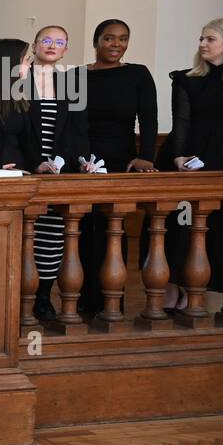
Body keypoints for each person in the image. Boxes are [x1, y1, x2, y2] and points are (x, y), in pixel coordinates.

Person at [79, 19, 158, 314]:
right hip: (83, 164)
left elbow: (149, 119)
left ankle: (112, 303)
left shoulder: (137, 74)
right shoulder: (76, 76)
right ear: (96, 41)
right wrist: (78, 160)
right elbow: (69, 124)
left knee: (114, 231)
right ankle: (84, 302)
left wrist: (146, 156)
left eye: (123, 39)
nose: (116, 45)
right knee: (83, 231)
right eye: (109, 38)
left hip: (121, 163)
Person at [160, 17, 223, 310]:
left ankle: (195, 287)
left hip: (222, 158)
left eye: (210, 39)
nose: (202, 44)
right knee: (177, 223)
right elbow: (182, 120)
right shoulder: (187, 78)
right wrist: (178, 156)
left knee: (210, 226)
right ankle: (170, 285)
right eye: (201, 39)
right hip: (186, 156)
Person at [23, 25, 91, 320]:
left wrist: (81, 160)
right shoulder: (19, 80)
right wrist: (34, 162)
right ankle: (20, 296)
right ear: (35, 45)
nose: (52, 45)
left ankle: (42, 297)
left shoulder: (70, 83)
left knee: (52, 235)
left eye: (59, 42)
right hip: (28, 168)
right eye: (46, 40)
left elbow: (79, 130)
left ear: (66, 50)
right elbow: (15, 129)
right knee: (27, 235)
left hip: (59, 171)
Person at [0, 38, 35, 171]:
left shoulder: (20, 95)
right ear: (12, 63)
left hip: (21, 171)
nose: (30, 65)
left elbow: (25, 142)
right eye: (26, 60)